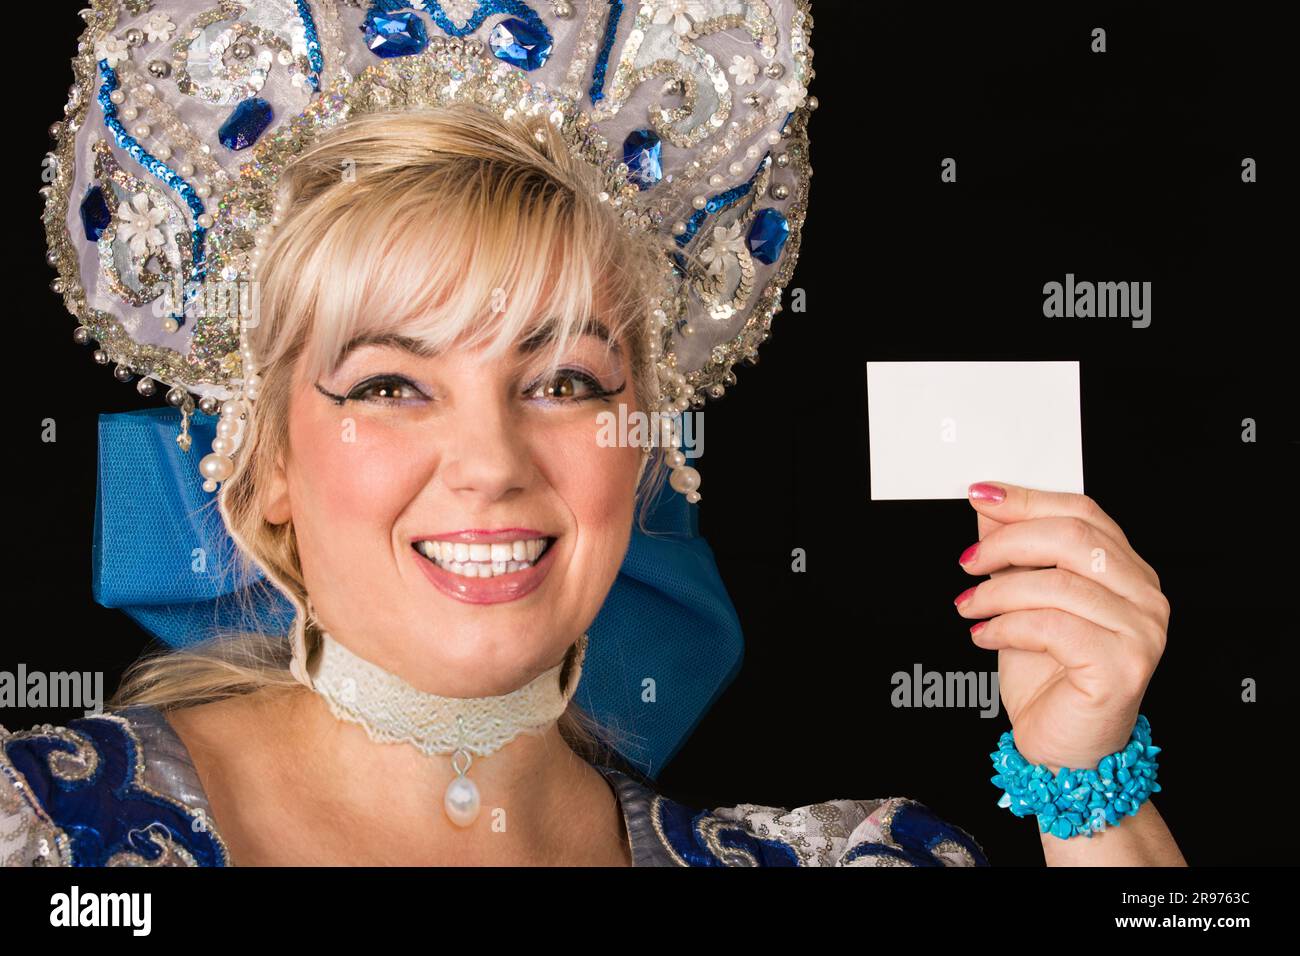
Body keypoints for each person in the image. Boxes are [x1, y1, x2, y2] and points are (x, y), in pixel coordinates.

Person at [2, 1, 1182, 867]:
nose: (491, 463)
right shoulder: (48, 842)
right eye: (390, 385)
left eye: (563, 379)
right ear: (264, 468)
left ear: (649, 446)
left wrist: (1088, 790)